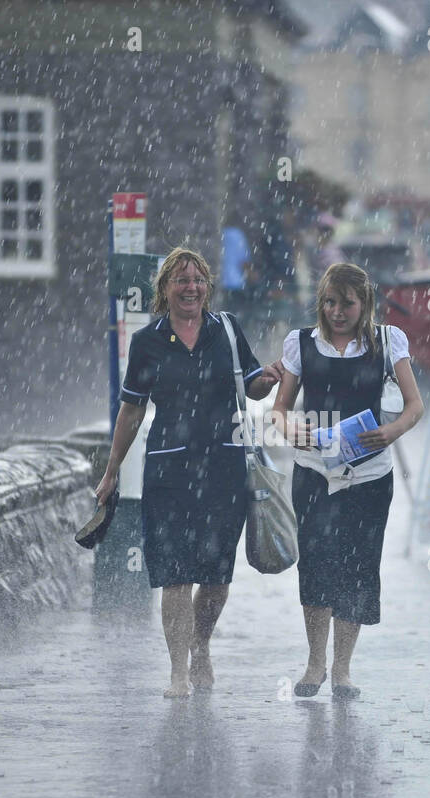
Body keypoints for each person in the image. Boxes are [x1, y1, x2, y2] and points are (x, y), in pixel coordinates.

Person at [95, 247, 281, 698]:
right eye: (181, 280)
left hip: (224, 467)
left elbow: (250, 383)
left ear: (208, 287)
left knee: (216, 578)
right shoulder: (148, 341)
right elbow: (132, 410)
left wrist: (270, 378)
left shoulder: (228, 330)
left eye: (198, 279)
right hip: (169, 470)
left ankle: (201, 645)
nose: (191, 287)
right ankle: (179, 669)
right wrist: (112, 470)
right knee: (175, 574)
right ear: (165, 290)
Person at [268, 263, 423, 700]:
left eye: (347, 303)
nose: (337, 311)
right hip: (314, 472)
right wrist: (289, 427)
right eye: (330, 302)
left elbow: (415, 406)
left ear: (364, 303)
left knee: (358, 568)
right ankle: (315, 663)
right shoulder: (300, 343)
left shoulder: (390, 341)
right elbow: (279, 409)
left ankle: (343, 669)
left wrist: (391, 432)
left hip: (371, 475)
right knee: (316, 564)